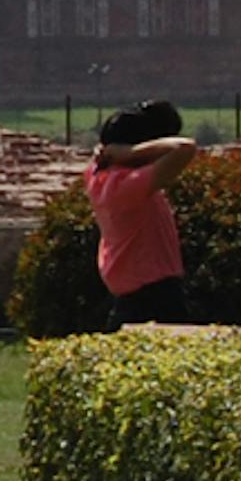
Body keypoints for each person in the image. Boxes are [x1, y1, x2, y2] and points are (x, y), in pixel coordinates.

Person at [88, 100, 202, 324]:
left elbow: (99, 154)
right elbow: (185, 148)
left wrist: (118, 151)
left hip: (127, 298)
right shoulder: (127, 185)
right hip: (155, 296)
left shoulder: (96, 176)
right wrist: (132, 153)